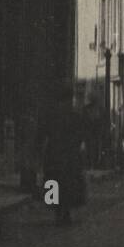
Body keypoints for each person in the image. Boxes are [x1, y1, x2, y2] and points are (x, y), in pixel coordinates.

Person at [41, 87, 87, 226]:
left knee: (56, 182)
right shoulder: (75, 117)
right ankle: (65, 212)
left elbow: (44, 135)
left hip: (55, 156)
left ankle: (59, 212)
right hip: (68, 156)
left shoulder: (51, 117)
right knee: (67, 184)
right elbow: (81, 136)